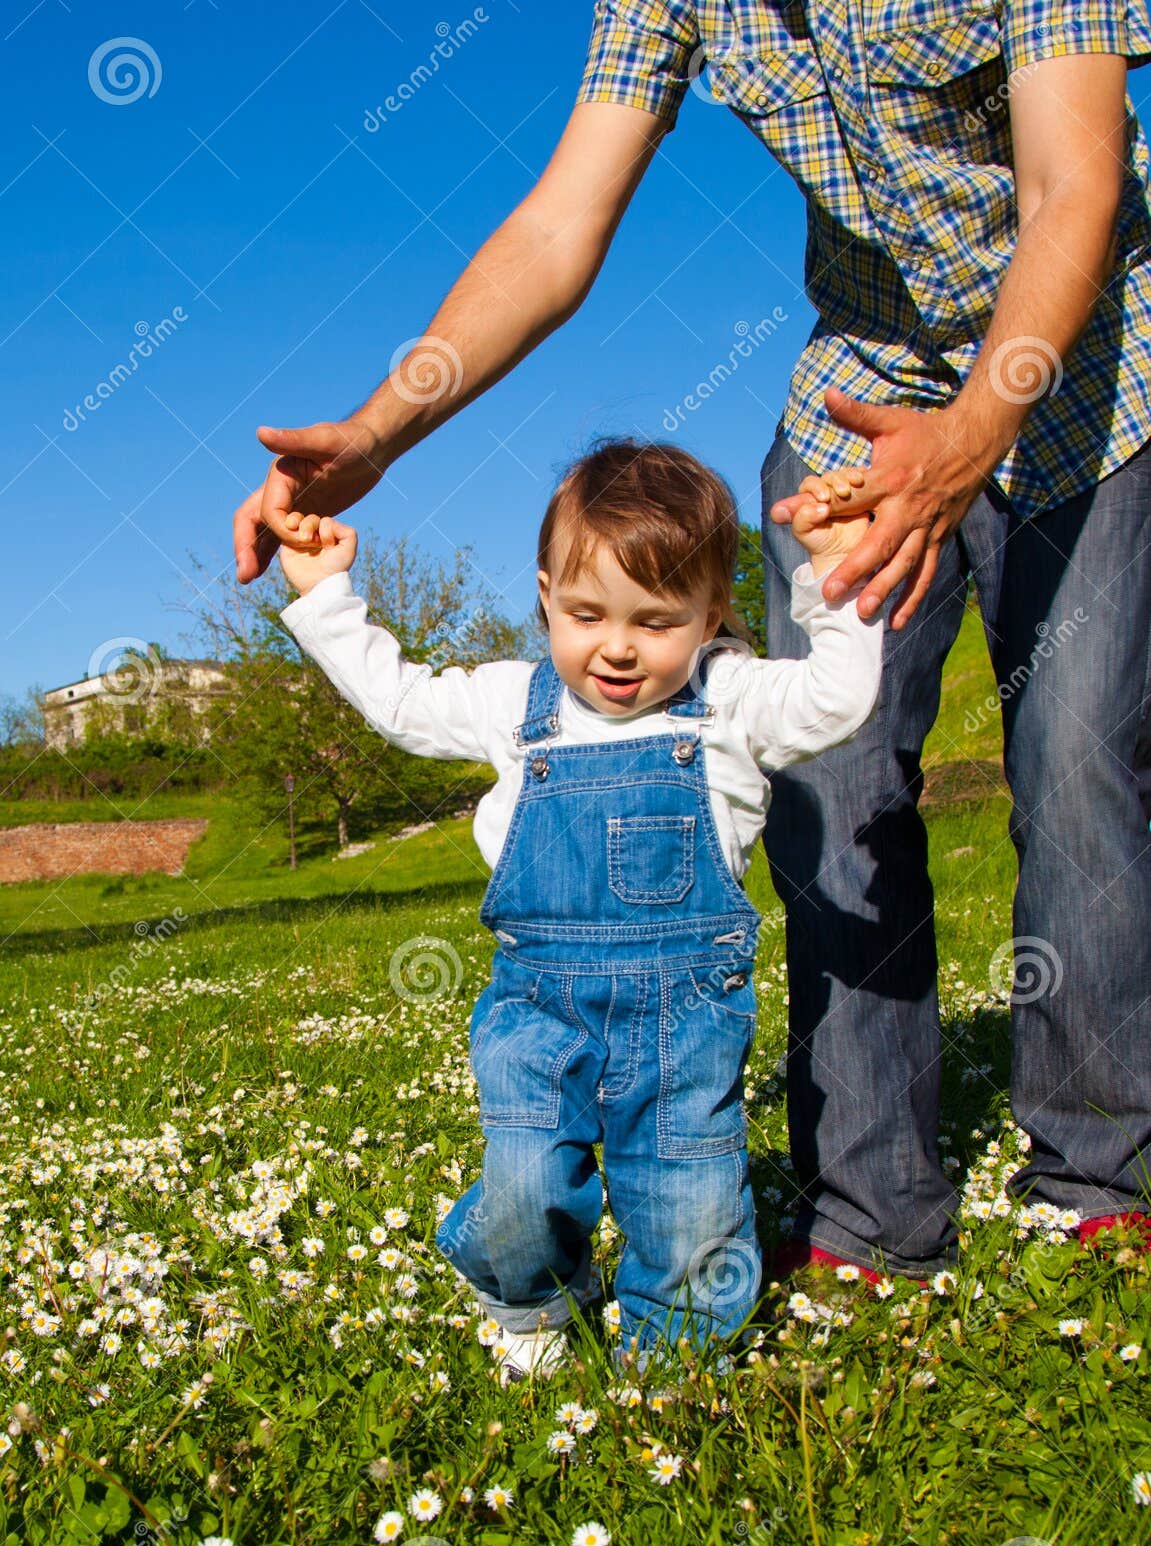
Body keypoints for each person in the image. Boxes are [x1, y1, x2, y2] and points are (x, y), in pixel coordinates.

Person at [235, 6, 1151, 1280]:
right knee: (831, 786)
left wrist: (967, 437)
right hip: (862, 380)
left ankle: (1095, 1177)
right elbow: (557, 229)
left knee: (1077, 763)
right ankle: (868, 1209)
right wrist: (379, 432)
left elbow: (1070, 186)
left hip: (1084, 363)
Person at [275, 438, 881, 1381]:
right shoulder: (512, 704)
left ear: (710, 615)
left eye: (657, 620)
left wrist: (831, 577)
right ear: (546, 597)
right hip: (537, 1007)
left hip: (686, 1017)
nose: (618, 646)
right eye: (587, 613)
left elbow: (837, 698)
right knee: (523, 1183)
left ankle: (671, 1366)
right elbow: (398, 701)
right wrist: (324, 596)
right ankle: (532, 1301)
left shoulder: (728, 699)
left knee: (686, 1195)